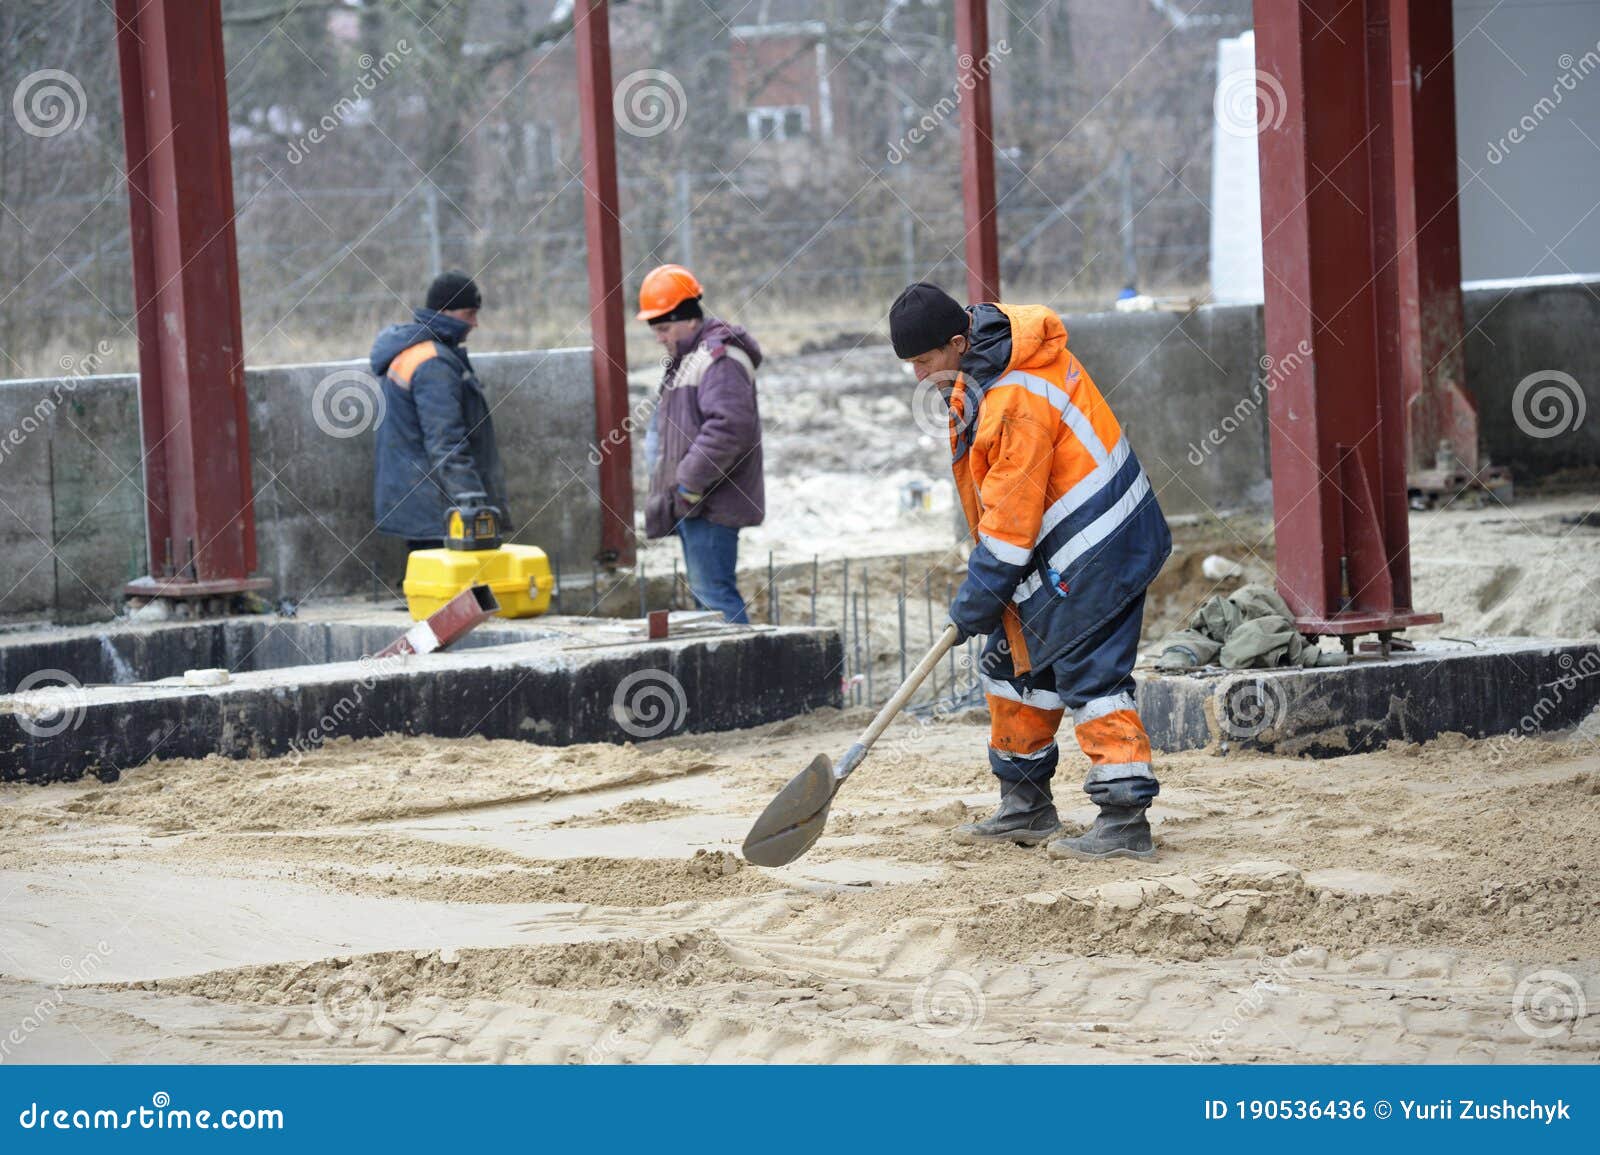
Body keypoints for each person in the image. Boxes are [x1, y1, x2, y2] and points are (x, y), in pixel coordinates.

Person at [889, 282, 1172, 859]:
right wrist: (991, 593)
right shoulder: (981, 376)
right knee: (1010, 666)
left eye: (923, 361)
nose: (919, 376)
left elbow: (1011, 518)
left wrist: (980, 593)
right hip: (1058, 549)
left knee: (1092, 679)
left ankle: (1124, 821)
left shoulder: (1015, 396)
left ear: (958, 342)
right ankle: (1026, 804)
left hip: (1102, 548)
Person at [637, 264, 764, 623]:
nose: (660, 337)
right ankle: (730, 675)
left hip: (709, 503)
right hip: (695, 503)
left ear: (689, 320)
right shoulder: (690, 358)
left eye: (664, 328)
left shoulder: (717, 360)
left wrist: (688, 483)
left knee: (714, 599)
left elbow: (729, 429)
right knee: (707, 597)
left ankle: (742, 676)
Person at [370, 271, 509, 555]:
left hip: (421, 500)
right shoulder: (434, 363)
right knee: (453, 592)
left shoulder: (417, 352)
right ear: (445, 311)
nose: (475, 323)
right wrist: (471, 500)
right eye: (469, 313)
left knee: (432, 589)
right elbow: (445, 441)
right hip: (437, 505)